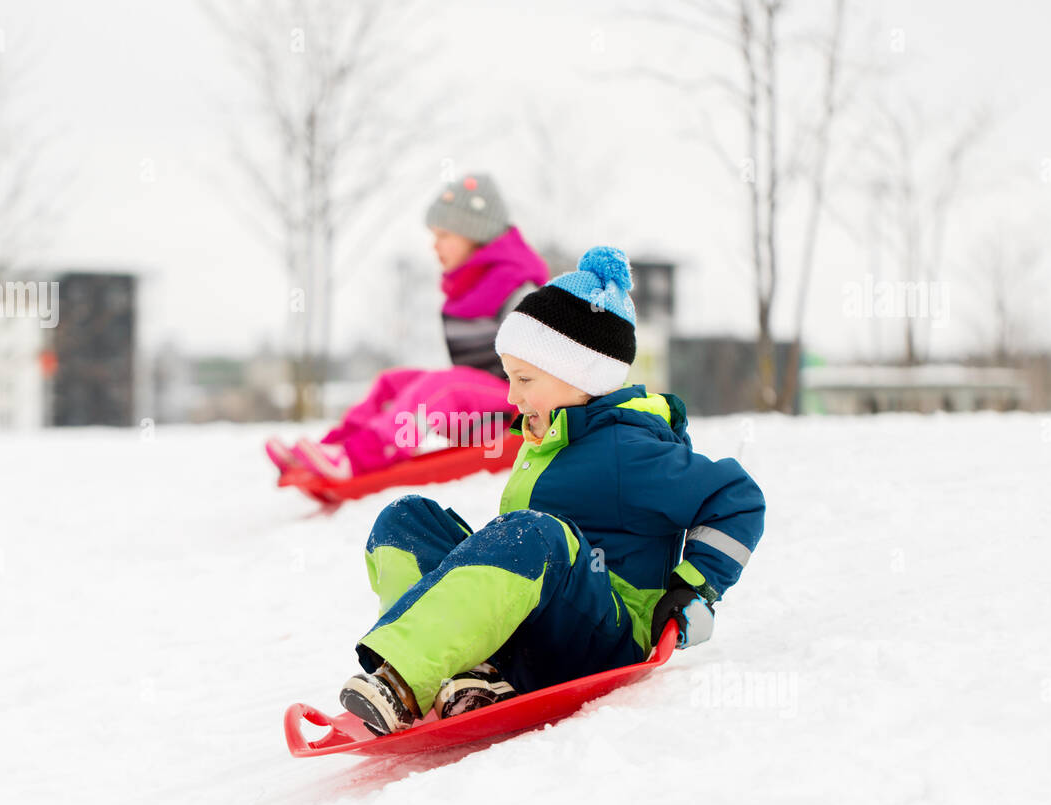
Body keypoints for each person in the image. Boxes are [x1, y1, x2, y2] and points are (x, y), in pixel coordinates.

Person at [336, 246, 766, 735]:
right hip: (538, 628)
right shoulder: (552, 437)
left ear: (579, 377)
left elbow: (738, 497)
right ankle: (452, 671)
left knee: (534, 535)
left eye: (524, 379)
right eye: (508, 377)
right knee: (408, 520)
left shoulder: (630, 449)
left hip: (603, 635)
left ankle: (405, 682)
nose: (511, 396)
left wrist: (695, 588)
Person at [266, 172, 549, 480]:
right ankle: (335, 448)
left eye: (444, 236)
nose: (434, 246)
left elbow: (543, 368)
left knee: (444, 386)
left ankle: (369, 453)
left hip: (513, 414)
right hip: (480, 405)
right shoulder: (466, 290)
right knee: (393, 382)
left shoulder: (518, 290)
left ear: (476, 234)